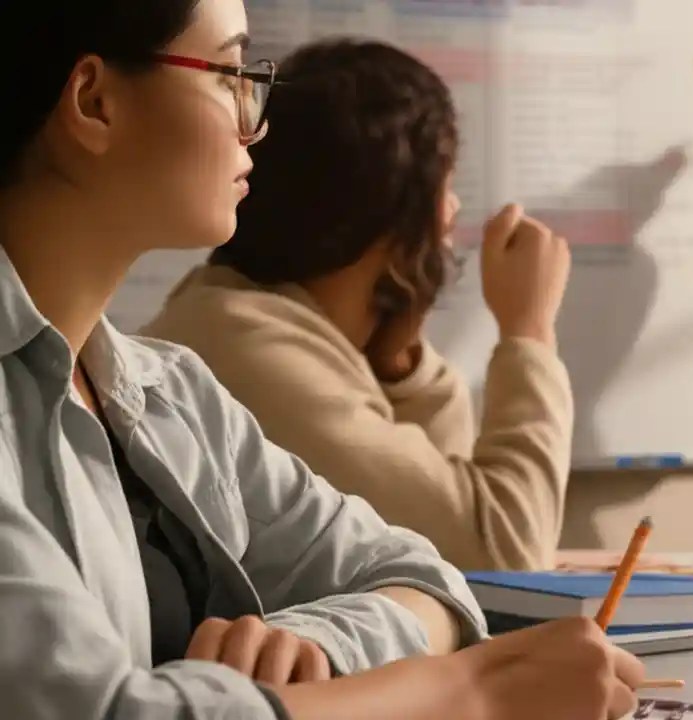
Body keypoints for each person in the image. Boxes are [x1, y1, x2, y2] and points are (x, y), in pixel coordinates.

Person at [0, 1, 643, 718]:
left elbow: (430, 577)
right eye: (229, 75)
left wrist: (320, 644)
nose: (255, 124)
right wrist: (473, 691)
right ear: (95, 102)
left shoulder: (169, 392)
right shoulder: (236, 341)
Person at [142, 38, 571, 572]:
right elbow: (502, 553)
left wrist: (401, 366)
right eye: (444, 188)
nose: (452, 211)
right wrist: (528, 332)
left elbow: (441, 517)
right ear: (397, 217)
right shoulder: (245, 343)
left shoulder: (259, 321)